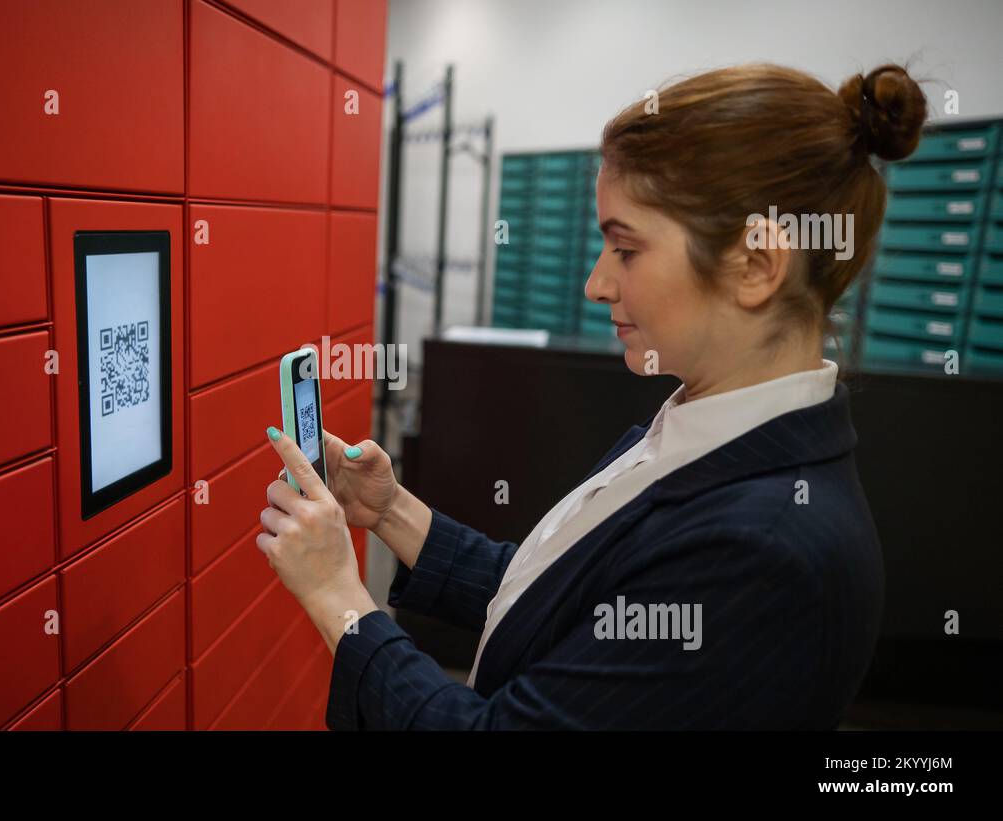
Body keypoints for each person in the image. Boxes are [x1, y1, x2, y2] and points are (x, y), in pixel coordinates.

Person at [257, 63, 927, 730]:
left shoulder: (760, 554)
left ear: (756, 265)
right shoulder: (705, 428)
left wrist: (338, 596)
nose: (596, 284)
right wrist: (391, 510)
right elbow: (558, 599)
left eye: (625, 248)